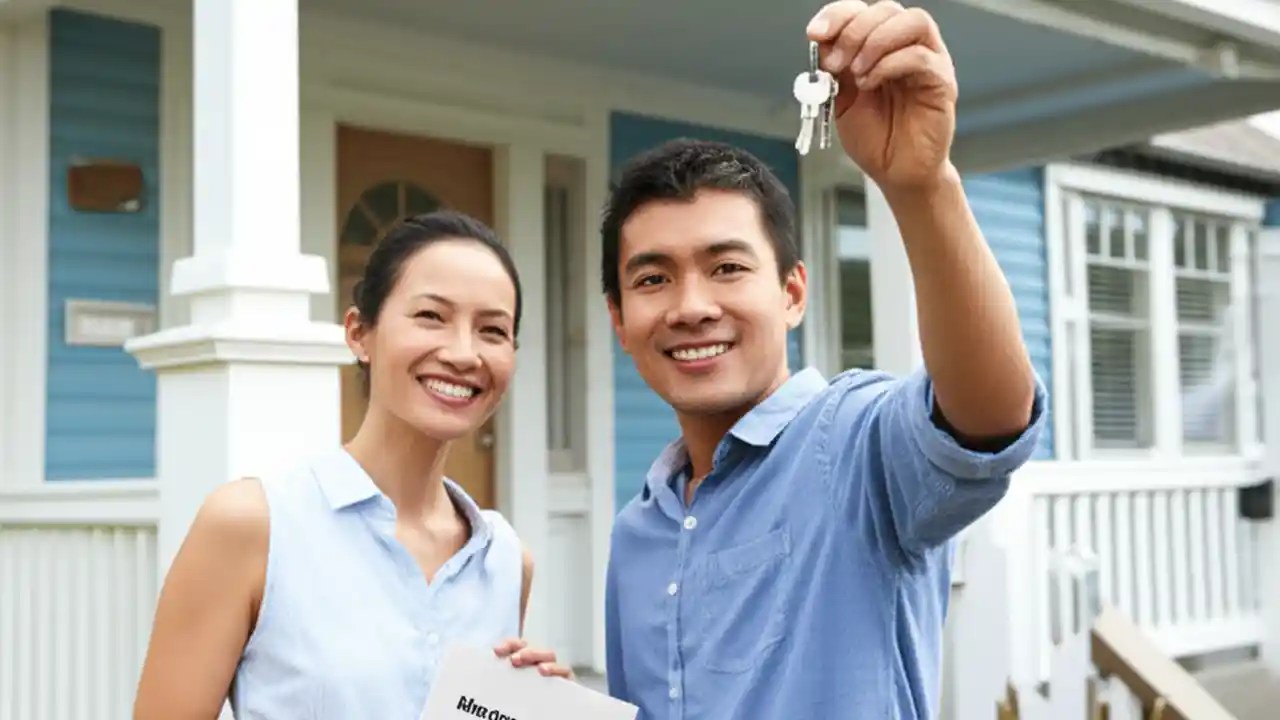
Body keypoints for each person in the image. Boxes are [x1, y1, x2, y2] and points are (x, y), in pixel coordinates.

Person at [601, 2, 1047, 719]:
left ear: (793, 293)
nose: (690, 306)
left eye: (725, 268)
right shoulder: (636, 532)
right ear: (620, 320)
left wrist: (924, 187)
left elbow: (989, 418)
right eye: (653, 279)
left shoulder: (856, 444)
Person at [133, 211, 571, 720]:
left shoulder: (505, 559)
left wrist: (533, 708)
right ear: (360, 332)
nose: (463, 352)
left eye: (492, 330)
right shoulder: (253, 524)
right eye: (431, 316)